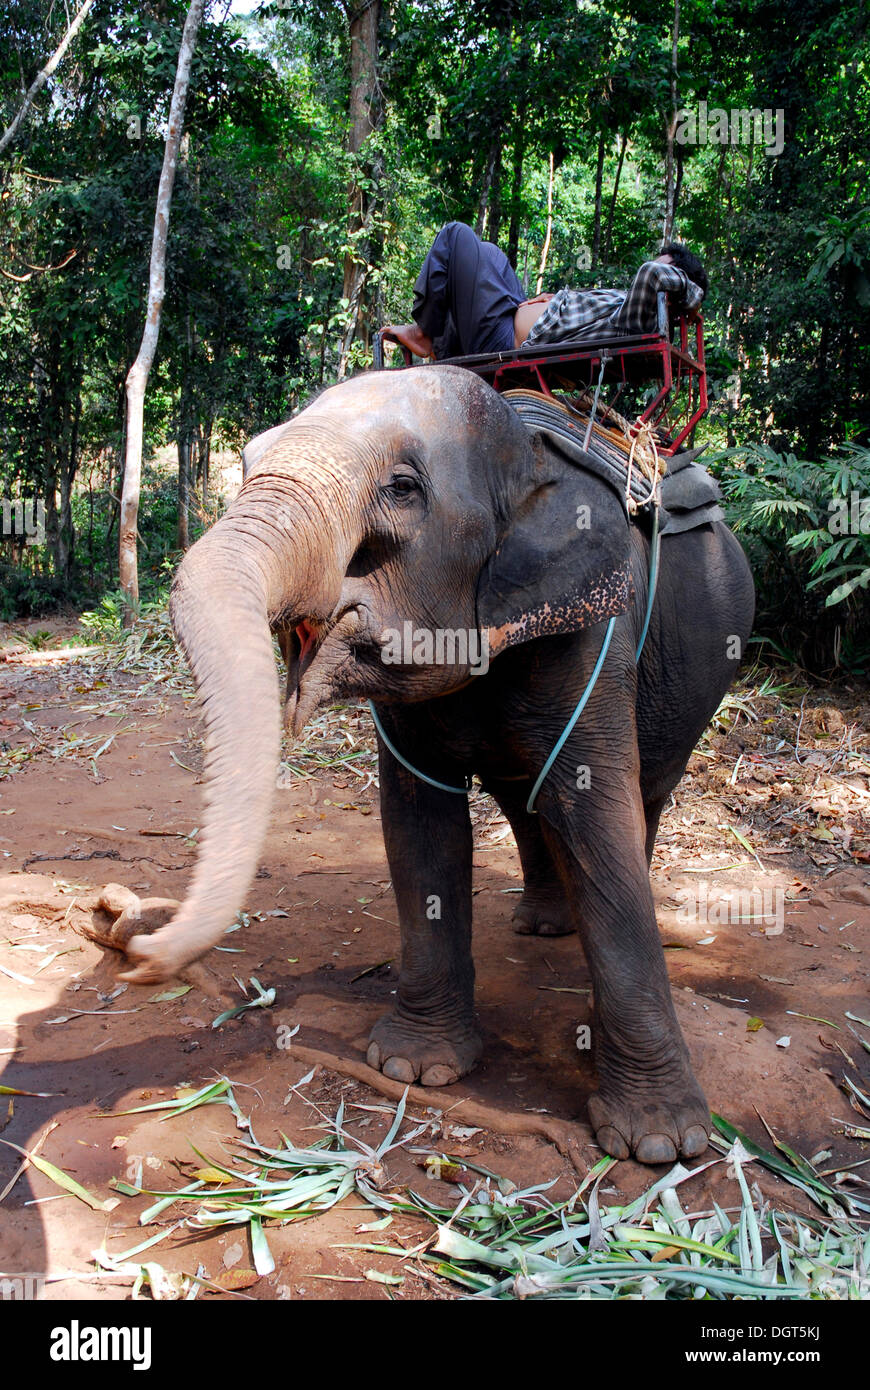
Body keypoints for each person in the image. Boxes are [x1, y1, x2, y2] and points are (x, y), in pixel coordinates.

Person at [385, 220, 708, 361]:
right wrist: (554, 302)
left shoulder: (646, 316)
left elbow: (652, 274)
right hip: (508, 318)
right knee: (491, 253)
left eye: (664, 266)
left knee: (456, 235)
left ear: (676, 282)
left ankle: (424, 333)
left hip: (503, 341)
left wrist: (692, 294)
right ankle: (443, 341)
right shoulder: (634, 308)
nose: (653, 264)